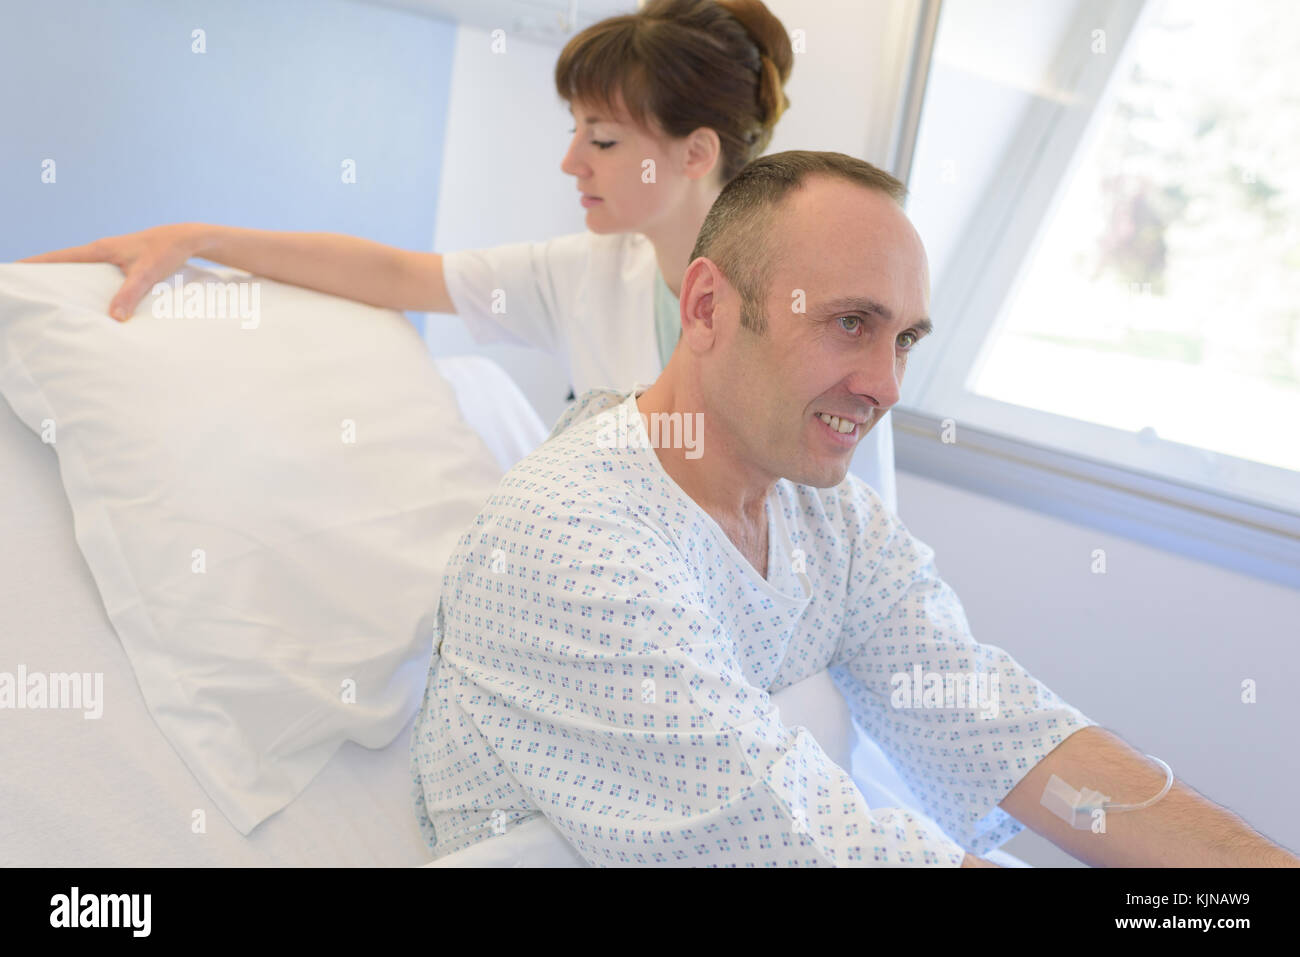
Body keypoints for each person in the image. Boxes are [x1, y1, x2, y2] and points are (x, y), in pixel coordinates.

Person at [409, 150, 1300, 868]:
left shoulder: (826, 516)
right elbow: (798, 841)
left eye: (903, 339)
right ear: (708, 306)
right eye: (849, 324)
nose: (885, 384)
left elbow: (1000, 726)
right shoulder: (570, 539)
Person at [18, 0, 793, 402]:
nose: (570, 161)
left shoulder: (794, 298)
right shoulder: (588, 272)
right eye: (575, 132)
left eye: (603, 140)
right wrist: (199, 238)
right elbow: (395, 274)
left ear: (695, 154)